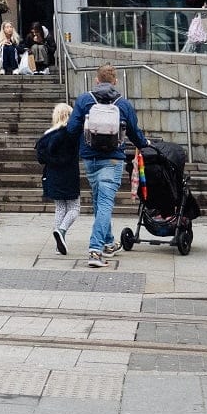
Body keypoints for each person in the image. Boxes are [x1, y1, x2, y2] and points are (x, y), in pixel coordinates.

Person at [66, 63, 149, 268]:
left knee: (99, 201)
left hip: (90, 159)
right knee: (104, 203)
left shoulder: (85, 100)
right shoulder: (123, 104)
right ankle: (95, 250)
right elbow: (134, 133)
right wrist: (145, 145)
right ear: (115, 81)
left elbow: (72, 129)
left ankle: (109, 243)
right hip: (113, 159)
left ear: (96, 80)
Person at [36, 102, 80, 255]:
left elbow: (41, 158)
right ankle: (61, 231)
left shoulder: (48, 136)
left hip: (52, 175)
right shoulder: (70, 135)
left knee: (60, 208)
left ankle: (58, 244)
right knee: (74, 208)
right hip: (69, 175)